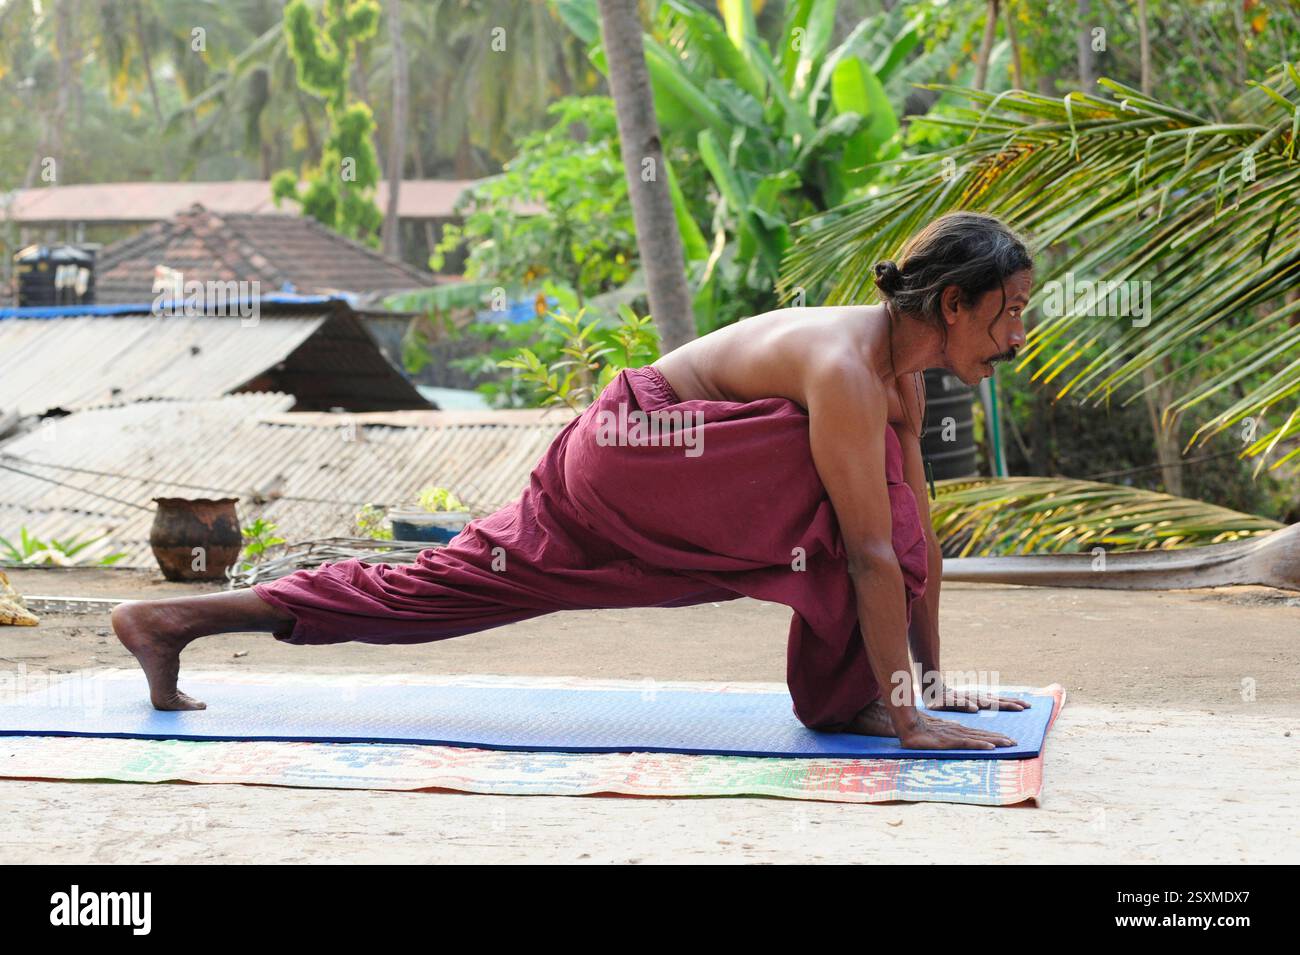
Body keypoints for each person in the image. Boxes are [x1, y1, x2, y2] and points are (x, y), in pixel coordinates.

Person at [113, 211, 1034, 750]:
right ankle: (868, 694)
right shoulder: (845, 372)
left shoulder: (898, 381)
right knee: (861, 507)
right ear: (952, 303)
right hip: (640, 450)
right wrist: (912, 718)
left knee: (445, 587)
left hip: (658, 479)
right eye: (1011, 312)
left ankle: (171, 620)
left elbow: (915, 544)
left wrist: (936, 680)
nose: (1019, 336)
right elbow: (874, 552)